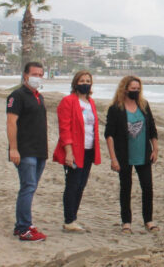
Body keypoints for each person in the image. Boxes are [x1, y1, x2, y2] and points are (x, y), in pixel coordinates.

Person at [104, 76, 160, 234]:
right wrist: (113, 158)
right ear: (125, 89)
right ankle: (126, 222)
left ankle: (148, 220)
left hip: (144, 154)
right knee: (125, 188)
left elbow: (152, 130)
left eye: (138, 89)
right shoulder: (116, 108)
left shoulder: (143, 105)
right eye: (132, 89)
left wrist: (155, 149)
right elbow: (109, 135)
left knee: (147, 188)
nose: (135, 91)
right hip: (124, 156)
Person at [52, 70, 101, 232]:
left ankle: (74, 217)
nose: (85, 83)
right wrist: (68, 151)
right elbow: (64, 128)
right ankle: (69, 220)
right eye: (82, 81)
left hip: (88, 149)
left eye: (88, 80)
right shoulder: (68, 101)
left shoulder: (90, 102)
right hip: (74, 150)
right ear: (75, 83)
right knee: (72, 184)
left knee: (81, 185)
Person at [6, 62, 48, 241]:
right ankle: (24, 228)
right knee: (27, 187)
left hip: (39, 151)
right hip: (25, 150)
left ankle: (21, 225)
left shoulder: (39, 97)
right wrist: (14, 148)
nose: (37, 77)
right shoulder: (17, 96)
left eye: (40, 74)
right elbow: (11, 123)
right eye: (34, 74)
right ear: (25, 75)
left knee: (31, 188)